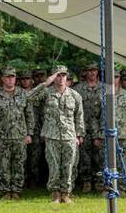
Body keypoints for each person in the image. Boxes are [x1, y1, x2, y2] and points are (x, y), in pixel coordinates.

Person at [29, 66, 84, 203]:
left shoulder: (74, 95)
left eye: (63, 75)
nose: (61, 78)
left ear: (67, 77)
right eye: (57, 75)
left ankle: (66, 193)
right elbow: (29, 98)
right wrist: (45, 83)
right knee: (54, 166)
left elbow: (79, 116)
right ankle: (55, 194)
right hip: (52, 135)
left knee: (69, 166)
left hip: (69, 135)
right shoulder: (46, 93)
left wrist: (79, 135)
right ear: (53, 77)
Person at [0, 67, 33, 200]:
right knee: (2, 165)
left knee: (19, 164)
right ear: (2, 79)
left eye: (12, 77)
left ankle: (16, 190)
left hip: (20, 135)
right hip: (1, 136)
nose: (10, 79)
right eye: (7, 77)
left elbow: (29, 114)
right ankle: (6, 191)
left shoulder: (23, 94)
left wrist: (29, 134)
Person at [73, 63, 103, 195]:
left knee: (100, 157)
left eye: (94, 70)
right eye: (89, 70)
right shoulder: (78, 88)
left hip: (99, 128)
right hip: (83, 127)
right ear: (85, 72)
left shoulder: (104, 88)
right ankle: (86, 181)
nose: (92, 73)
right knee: (84, 156)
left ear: (97, 72)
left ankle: (99, 181)